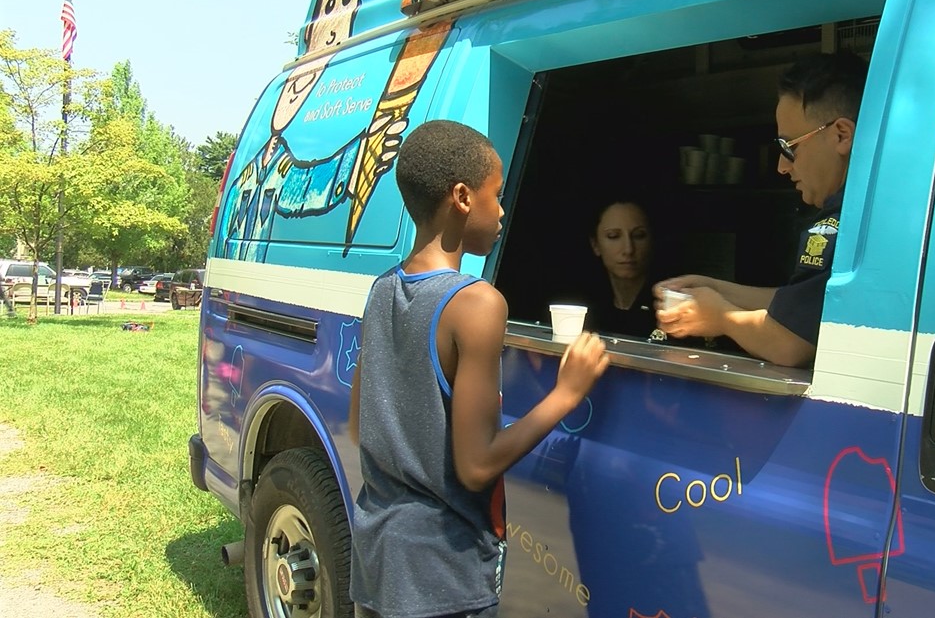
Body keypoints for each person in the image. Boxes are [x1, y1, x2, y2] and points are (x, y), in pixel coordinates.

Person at [348, 119, 610, 618]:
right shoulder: (477, 304)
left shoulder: (381, 290)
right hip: (443, 577)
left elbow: (361, 424)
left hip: (379, 564)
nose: (503, 210)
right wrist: (567, 393)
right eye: (498, 193)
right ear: (463, 197)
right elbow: (476, 467)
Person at [654, 51, 868, 367]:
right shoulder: (871, 206)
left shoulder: (836, 224)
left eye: (788, 147)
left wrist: (720, 316)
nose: (782, 166)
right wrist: (713, 287)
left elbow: (789, 342)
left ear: (841, 135)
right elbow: (799, 306)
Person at [582, 197, 660, 338]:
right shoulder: (587, 310)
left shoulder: (670, 309)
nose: (628, 249)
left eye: (639, 235)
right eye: (613, 236)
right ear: (595, 245)